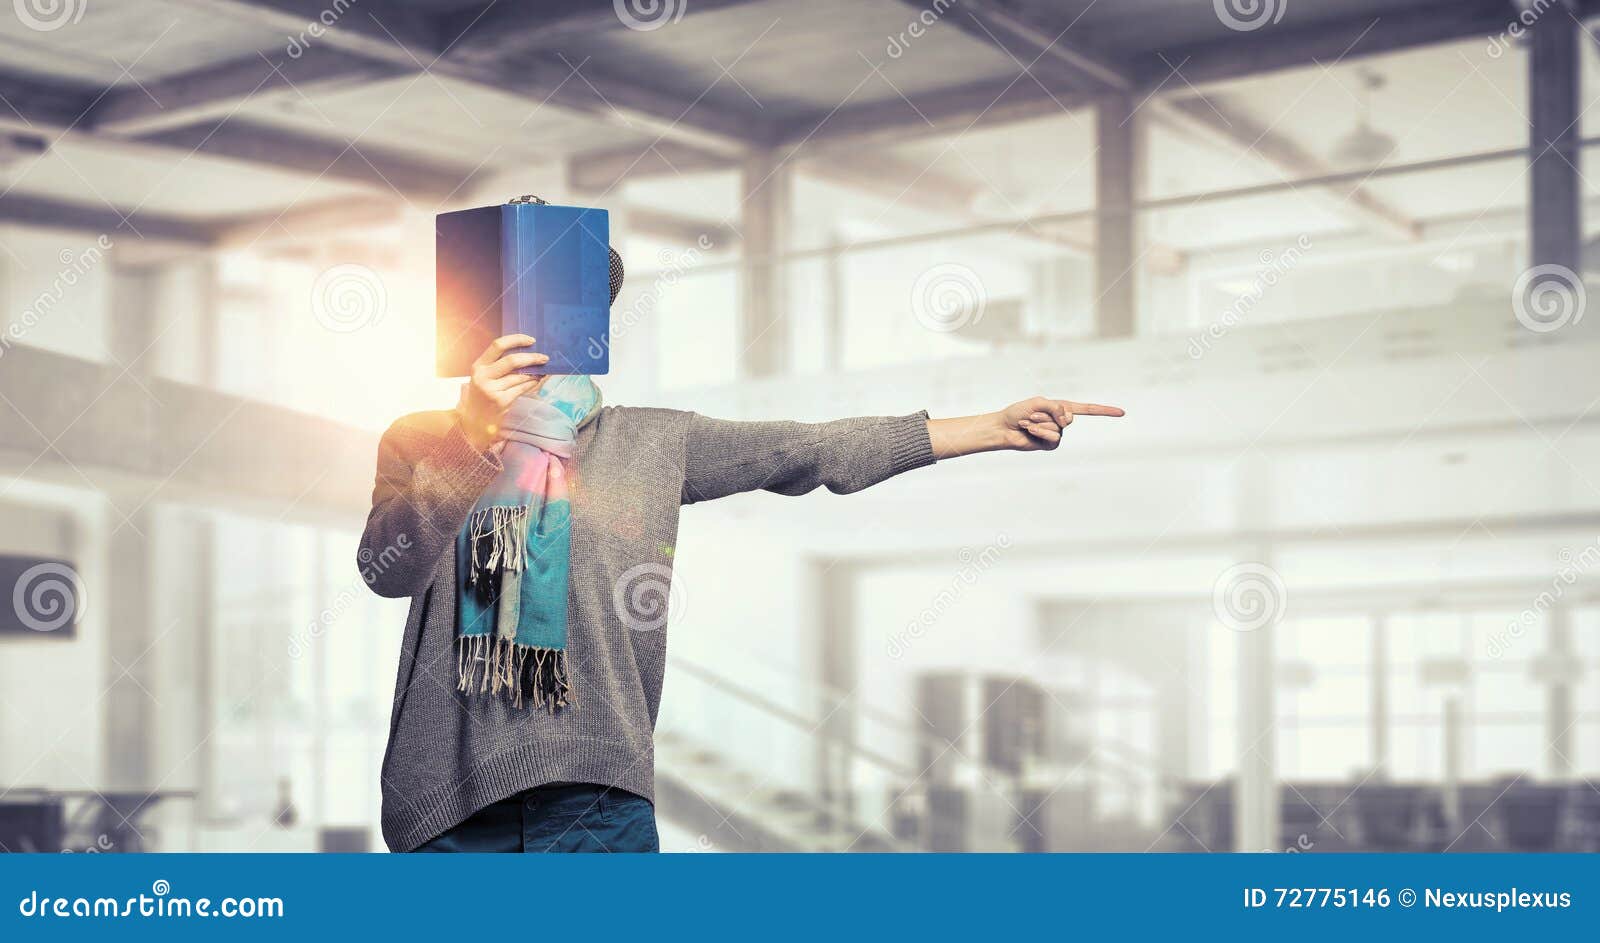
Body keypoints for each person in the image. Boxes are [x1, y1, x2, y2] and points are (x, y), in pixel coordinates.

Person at [360, 326, 1123, 853]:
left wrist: (988, 426)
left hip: (595, 795)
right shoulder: (421, 438)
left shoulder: (652, 441)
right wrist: (470, 439)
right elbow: (386, 570)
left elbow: (806, 448)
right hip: (448, 802)